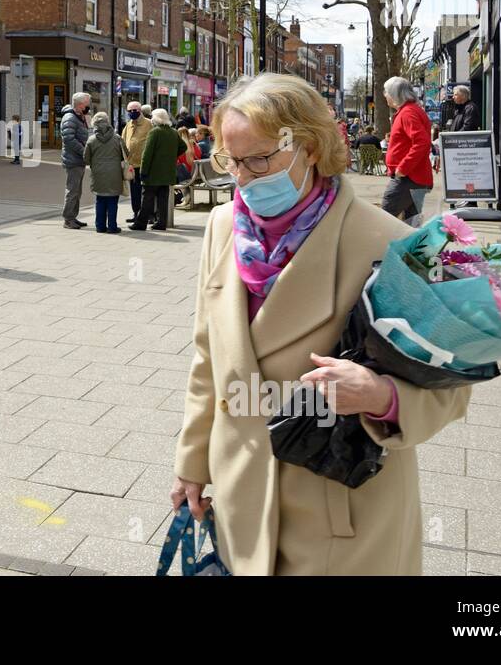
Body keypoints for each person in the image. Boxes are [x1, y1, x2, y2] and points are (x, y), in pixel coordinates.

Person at [171, 72, 470, 575]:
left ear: (308, 148)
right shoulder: (224, 227)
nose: (242, 178)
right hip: (242, 497)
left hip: (344, 519)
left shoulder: (393, 244)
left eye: (259, 160)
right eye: (231, 160)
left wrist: (382, 396)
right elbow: (208, 356)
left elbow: (452, 391)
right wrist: (192, 463)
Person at [381, 76, 433, 220]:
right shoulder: (412, 110)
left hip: (408, 178)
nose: (385, 95)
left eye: (386, 92)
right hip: (414, 177)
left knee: (384, 219)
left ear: (394, 93)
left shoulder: (408, 113)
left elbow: (422, 142)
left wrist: (403, 167)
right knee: (411, 224)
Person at [130, 108, 182, 231]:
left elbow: (147, 155)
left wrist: (143, 171)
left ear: (156, 119)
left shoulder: (155, 132)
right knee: (162, 199)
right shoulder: (173, 132)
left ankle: (141, 223)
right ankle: (161, 222)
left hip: (153, 173)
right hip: (167, 172)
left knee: (147, 198)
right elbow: (183, 147)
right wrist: (171, 155)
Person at [82, 111, 127, 234]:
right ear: (108, 122)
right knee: (113, 201)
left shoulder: (91, 140)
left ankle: (100, 226)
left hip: (98, 173)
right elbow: (125, 155)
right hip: (115, 174)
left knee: (100, 200)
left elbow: (85, 159)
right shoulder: (117, 138)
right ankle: (112, 226)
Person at [59, 92, 92, 229]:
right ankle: (68, 219)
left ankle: (73, 216)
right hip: (73, 160)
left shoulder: (79, 116)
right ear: (79, 105)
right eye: (86, 104)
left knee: (77, 191)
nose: (88, 107)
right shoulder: (70, 118)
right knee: (72, 191)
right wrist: (84, 151)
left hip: (78, 160)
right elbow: (69, 138)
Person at [121, 100, 151, 222]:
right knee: (135, 192)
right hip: (131, 165)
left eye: (135, 111)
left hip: (144, 164)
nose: (132, 113)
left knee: (146, 191)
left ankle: (147, 215)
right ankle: (136, 213)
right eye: (129, 111)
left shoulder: (148, 124)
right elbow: (123, 141)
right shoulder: (128, 125)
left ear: (140, 111)